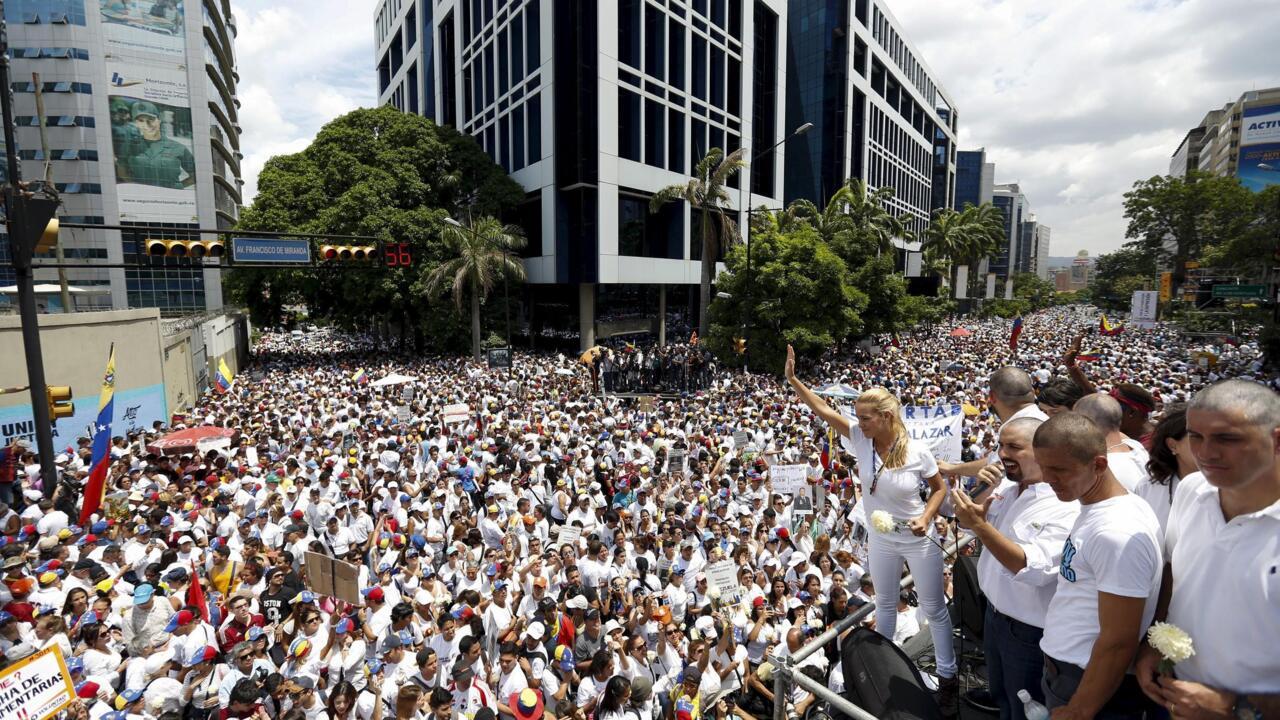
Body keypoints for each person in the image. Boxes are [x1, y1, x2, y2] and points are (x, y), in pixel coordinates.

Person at [785, 345, 958, 716]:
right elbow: (822, 410)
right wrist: (794, 380)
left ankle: (948, 679)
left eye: (866, 418)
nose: (859, 423)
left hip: (916, 538)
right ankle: (882, 671)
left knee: (933, 607)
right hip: (881, 539)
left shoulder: (918, 451)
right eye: (858, 418)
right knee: (884, 604)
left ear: (885, 416)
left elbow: (940, 488)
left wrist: (927, 516)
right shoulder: (860, 440)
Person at [1136, 380, 1280, 719]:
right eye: (1195, 437)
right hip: (1172, 690)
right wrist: (1154, 644)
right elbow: (1175, 574)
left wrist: (1232, 709)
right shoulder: (1192, 488)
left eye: (1227, 438)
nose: (1205, 453)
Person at [1033, 412, 1161, 719]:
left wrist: (1080, 709)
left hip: (1085, 682)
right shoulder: (1102, 509)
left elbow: (1119, 639)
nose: (1047, 479)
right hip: (1071, 672)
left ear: (1099, 464)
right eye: (1042, 467)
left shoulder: (1115, 532)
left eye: (1059, 470)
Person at [950, 417, 1079, 720]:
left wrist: (980, 526)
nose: (1002, 454)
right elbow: (981, 523)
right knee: (1003, 696)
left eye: (1014, 447)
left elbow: (1031, 568)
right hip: (994, 616)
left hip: (1027, 631)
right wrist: (980, 500)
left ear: (1044, 453)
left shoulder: (1064, 506)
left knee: (1027, 708)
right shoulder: (1009, 490)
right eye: (1000, 446)